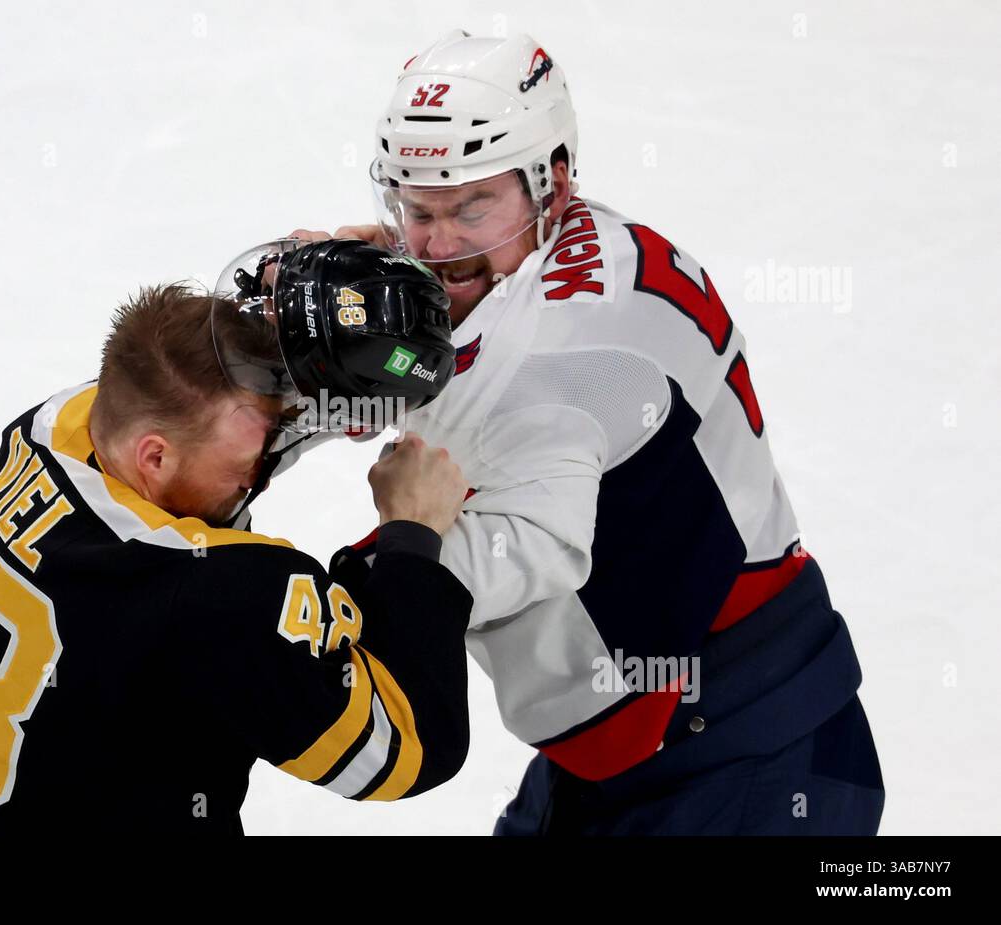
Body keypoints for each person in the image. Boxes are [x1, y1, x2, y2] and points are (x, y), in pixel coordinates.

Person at [292, 31, 884, 834]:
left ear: (553, 181)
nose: (435, 246)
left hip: (749, 752)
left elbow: (537, 538)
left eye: (471, 206)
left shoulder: (564, 352)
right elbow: (470, 377)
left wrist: (365, 575)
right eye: (417, 210)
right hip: (661, 720)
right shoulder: (566, 254)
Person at [0, 241, 473, 834]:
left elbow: (195, 375)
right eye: (248, 463)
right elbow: (411, 747)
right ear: (154, 458)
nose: (260, 469)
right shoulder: (217, 594)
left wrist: (309, 302)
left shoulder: (53, 431)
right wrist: (412, 536)